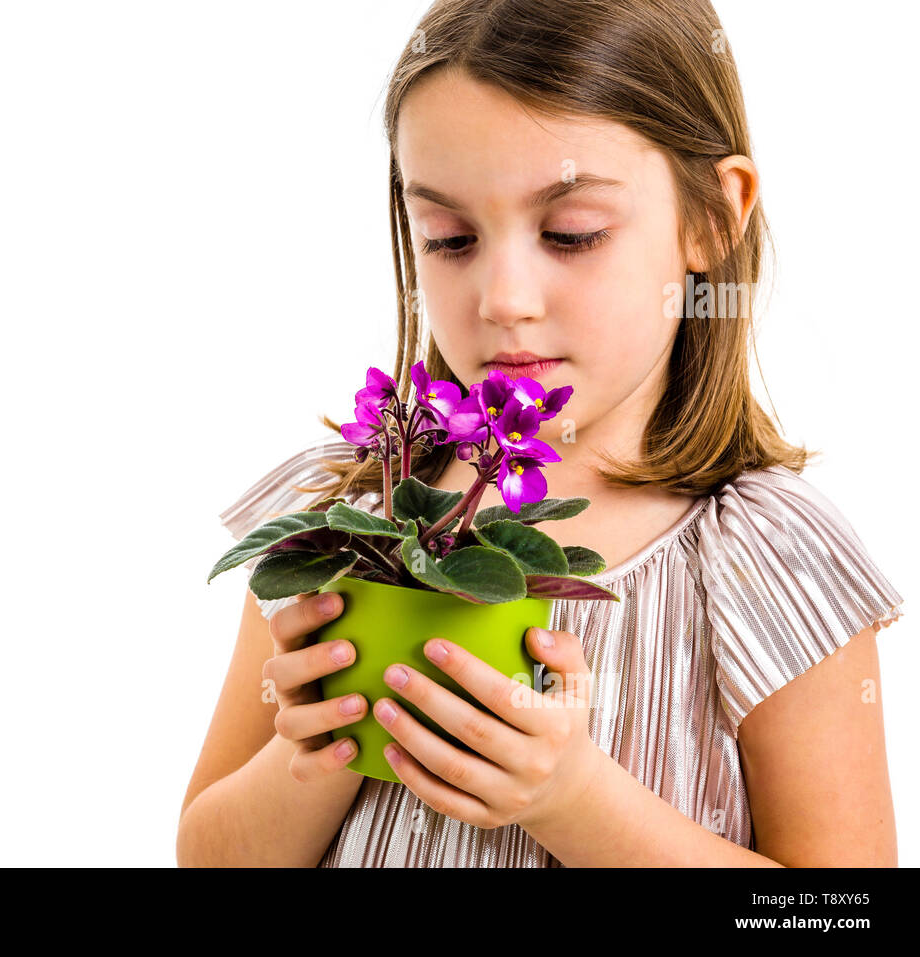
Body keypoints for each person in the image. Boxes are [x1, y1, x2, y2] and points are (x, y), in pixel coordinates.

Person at [176, 0, 905, 867]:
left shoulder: (765, 556)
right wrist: (315, 757)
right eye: (449, 239)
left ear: (713, 214)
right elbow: (207, 855)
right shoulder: (345, 519)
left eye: (571, 233)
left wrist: (574, 800)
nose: (504, 298)